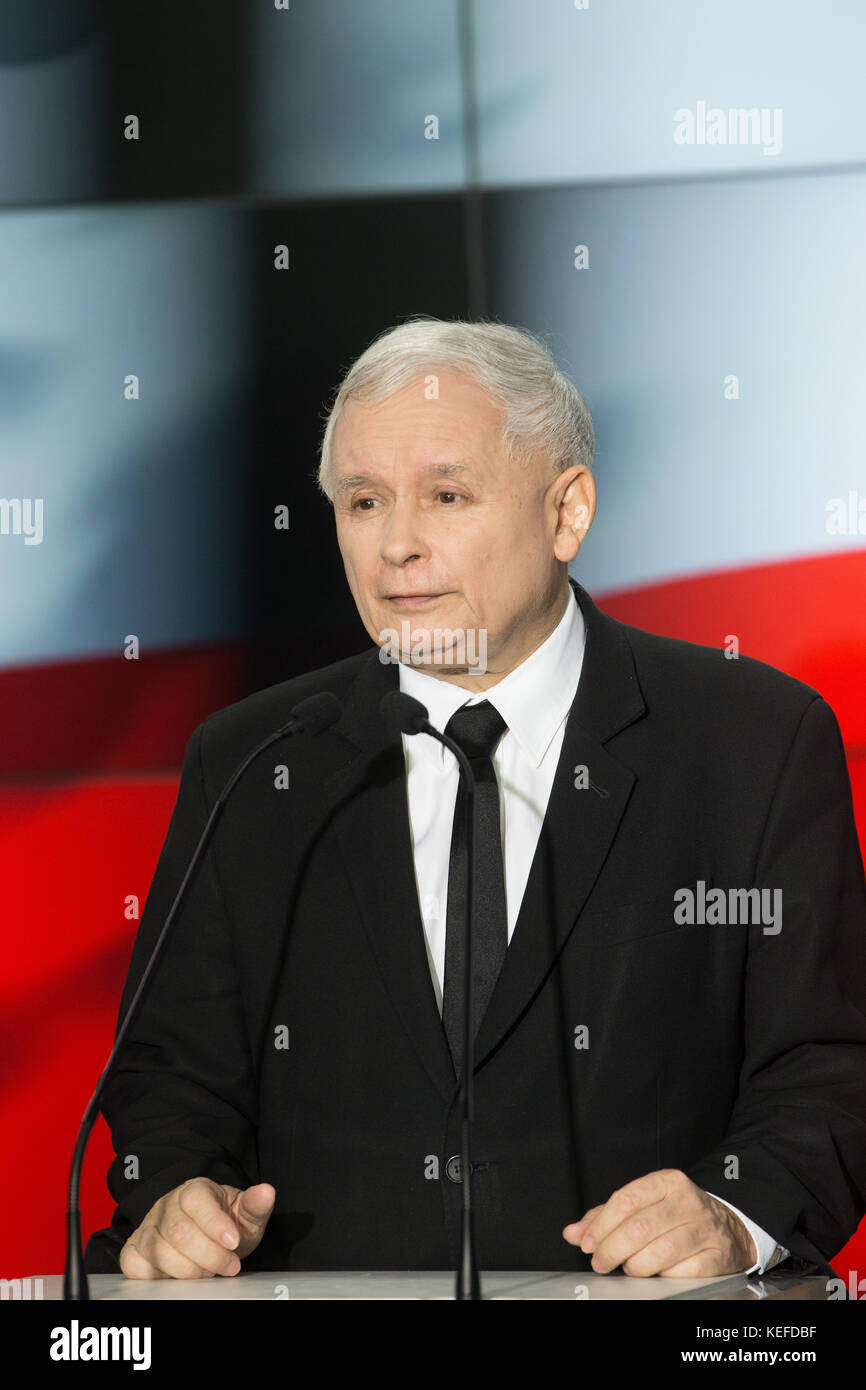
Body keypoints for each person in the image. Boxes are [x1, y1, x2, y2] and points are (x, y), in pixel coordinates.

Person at [86, 317, 866, 1282]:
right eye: (364, 502)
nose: (397, 546)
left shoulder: (753, 741)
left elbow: (830, 1067)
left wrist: (733, 1215)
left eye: (446, 496)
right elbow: (169, 1075)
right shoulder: (255, 759)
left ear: (566, 511)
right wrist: (174, 1198)